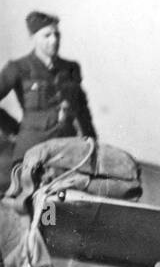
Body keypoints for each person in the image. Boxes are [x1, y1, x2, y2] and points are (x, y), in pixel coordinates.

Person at [0, 12, 95, 174]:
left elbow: (82, 109)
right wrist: (14, 129)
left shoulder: (71, 68)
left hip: (66, 151)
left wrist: (92, 141)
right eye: (47, 35)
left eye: (57, 35)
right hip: (31, 151)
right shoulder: (17, 68)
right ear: (33, 37)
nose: (54, 40)